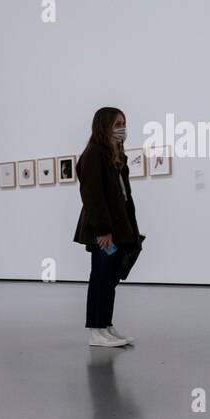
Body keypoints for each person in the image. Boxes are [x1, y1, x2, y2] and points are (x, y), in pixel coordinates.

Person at [73, 107, 142, 347]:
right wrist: (103, 230)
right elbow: (92, 196)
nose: (122, 128)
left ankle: (106, 325)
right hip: (103, 231)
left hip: (118, 228)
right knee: (100, 278)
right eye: (116, 124)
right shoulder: (93, 154)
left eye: (124, 123)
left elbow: (122, 195)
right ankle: (96, 330)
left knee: (110, 279)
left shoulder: (115, 155)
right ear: (103, 126)